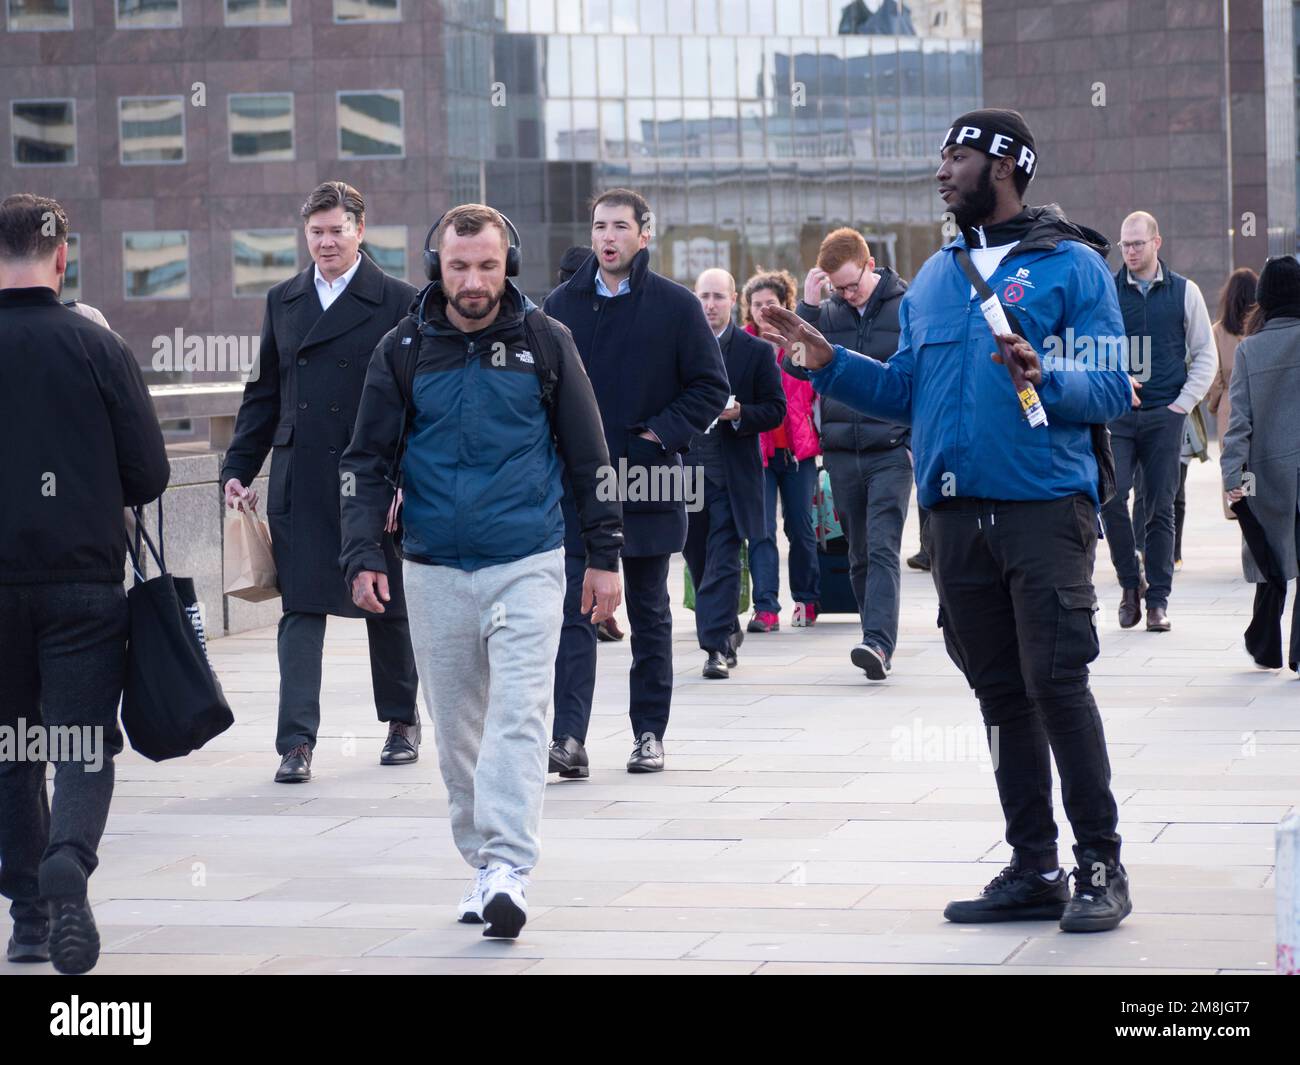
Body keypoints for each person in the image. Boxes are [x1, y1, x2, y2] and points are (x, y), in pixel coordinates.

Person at [758, 109, 1135, 932]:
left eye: (957, 155)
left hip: (1043, 509)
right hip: (954, 517)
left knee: (1058, 684)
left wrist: (1052, 374)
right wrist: (829, 361)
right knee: (1001, 694)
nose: (941, 169)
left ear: (1005, 165)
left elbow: (1113, 388)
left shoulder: (1075, 268)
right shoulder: (935, 275)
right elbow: (905, 392)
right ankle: (1034, 865)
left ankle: (1101, 861)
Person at [340, 204, 622, 938]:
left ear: (509, 264)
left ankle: (508, 865)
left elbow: (590, 457)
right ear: (438, 265)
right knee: (459, 729)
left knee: (520, 716)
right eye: (460, 266)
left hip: (527, 559)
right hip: (432, 566)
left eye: (487, 266)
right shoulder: (402, 347)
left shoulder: (545, 342)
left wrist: (605, 557)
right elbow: (364, 462)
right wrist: (364, 552)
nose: (473, 281)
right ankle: (482, 861)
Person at [0, 194, 170, 973]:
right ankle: (68, 856)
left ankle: (30, 918)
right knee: (79, 744)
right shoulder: (96, 348)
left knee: (11, 748)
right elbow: (149, 472)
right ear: (61, 257)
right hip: (83, 585)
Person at [220, 181, 423, 784]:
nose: (327, 241)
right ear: (304, 234)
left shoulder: (398, 300)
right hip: (300, 475)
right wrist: (236, 468)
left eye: (337, 230)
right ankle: (296, 743)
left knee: (385, 604)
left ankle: (401, 723)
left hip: (374, 477)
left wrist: (405, 480)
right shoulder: (283, 300)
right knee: (301, 610)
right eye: (316, 232)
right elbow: (263, 393)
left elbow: (417, 401)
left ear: (361, 229)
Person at [544, 189, 729, 775]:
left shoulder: (676, 306)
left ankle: (649, 733)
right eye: (599, 226)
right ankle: (567, 739)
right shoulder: (558, 306)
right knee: (574, 612)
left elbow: (709, 388)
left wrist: (657, 435)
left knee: (650, 610)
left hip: (650, 479)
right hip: (579, 485)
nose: (608, 237)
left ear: (644, 235)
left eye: (620, 227)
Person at [797, 228, 912, 678]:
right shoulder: (826, 312)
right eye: (837, 287)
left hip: (891, 448)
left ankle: (879, 643)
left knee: (883, 546)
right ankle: (873, 636)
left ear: (870, 265)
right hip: (842, 452)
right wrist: (807, 309)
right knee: (859, 553)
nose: (846, 293)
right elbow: (794, 363)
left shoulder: (906, 308)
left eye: (852, 284)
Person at [1100, 211, 1216, 632]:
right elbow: (1091, 348)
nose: (1129, 251)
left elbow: (1206, 354)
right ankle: (1130, 585)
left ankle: (1158, 603)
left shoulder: (1186, 292)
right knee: (1111, 499)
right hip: (1118, 414)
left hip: (1166, 415)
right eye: (1124, 244)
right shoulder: (1108, 292)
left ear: (1156, 243)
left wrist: (1182, 404)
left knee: (1160, 508)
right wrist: (1113, 378)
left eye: (1137, 244)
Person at [687, 268, 786, 678]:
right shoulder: (679, 346)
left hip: (732, 474)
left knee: (724, 558)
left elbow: (775, 408)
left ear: (733, 301)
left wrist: (741, 412)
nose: (710, 305)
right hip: (686, 473)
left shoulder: (755, 352)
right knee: (697, 560)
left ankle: (713, 647)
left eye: (718, 297)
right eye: (704, 296)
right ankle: (726, 628)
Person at [1221, 255, 1300, 674]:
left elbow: (1239, 426)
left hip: (1268, 477)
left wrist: (1235, 479)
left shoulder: (1251, 350)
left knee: (1271, 561)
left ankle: (1265, 643)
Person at [744, 271, 821, 635]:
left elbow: (818, 387)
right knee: (760, 530)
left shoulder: (799, 342)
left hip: (797, 451)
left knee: (801, 528)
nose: (763, 310)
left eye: (771, 304)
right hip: (755, 453)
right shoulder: (739, 346)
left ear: (785, 305)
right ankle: (766, 608)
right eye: (757, 305)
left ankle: (807, 598)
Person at [1206, 267, 1258, 518]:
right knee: (1257, 465)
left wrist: (1216, 405)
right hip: (1259, 403)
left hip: (1229, 405)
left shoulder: (1217, 331)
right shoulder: (1262, 330)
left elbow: (1213, 380)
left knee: (1234, 465)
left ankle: (1241, 510)